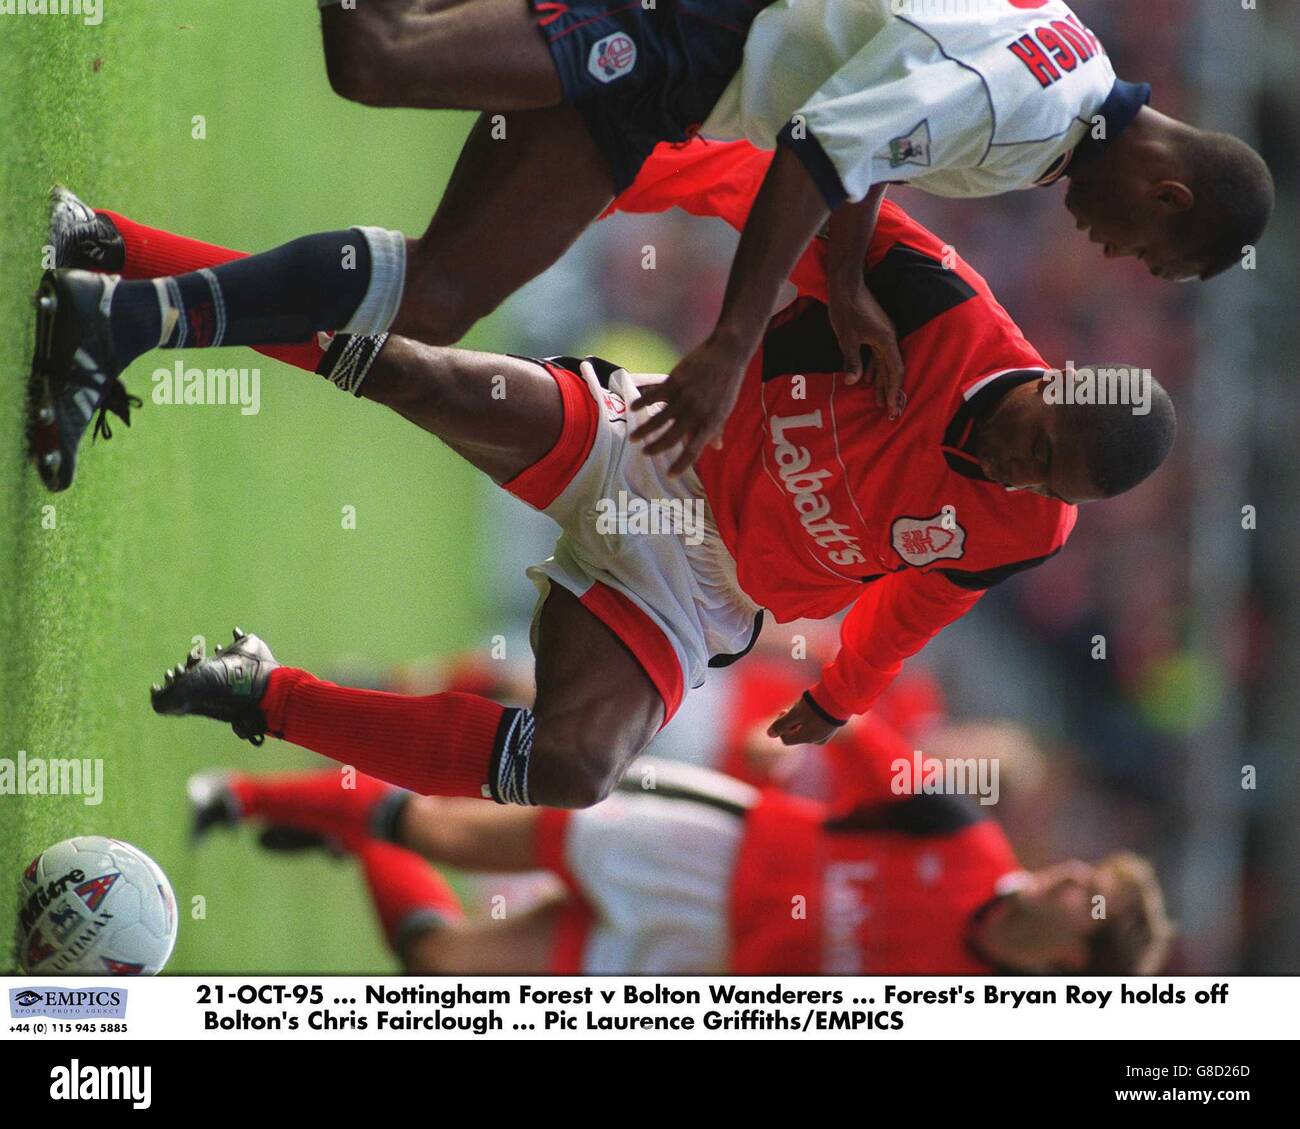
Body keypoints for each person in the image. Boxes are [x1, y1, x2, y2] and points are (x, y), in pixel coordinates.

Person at [42, 151, 1175, 809]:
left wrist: (840, 697)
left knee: (576, 769)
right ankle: (117, 258)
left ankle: (259, 692)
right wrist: (612, 178)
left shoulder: (1031, 527)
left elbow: (921, 596)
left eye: (1051, 479)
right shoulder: (940, 305)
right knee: (413, 375)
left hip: (703, 599)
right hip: (661, 445)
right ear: (1056, 378)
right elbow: (770, 182)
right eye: (1038, 440)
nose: (1025, 471)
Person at [26, 0, 1271, 490]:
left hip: (686, 77)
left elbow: (859, 126)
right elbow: (819, 148)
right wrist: (731, 341)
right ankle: (116, 312)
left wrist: (843, 275)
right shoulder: (1030, 107)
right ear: (1167, 195)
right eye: (1143, 256)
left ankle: (118, 320)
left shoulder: (1070, 72)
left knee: (445, 293)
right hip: (691, 27)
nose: (1114, 261)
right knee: (379, 58)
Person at [184, 713, 1172, 975]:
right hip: (694, 846)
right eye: (1088, 867)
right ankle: (243, 790)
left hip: (694, 963)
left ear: (1073, 956)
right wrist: (783, 735)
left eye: (1087, 894)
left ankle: (349, 839)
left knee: (437, 959)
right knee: (442, 824)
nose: (1070, 871)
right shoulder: (963, 834)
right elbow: (857, 733)